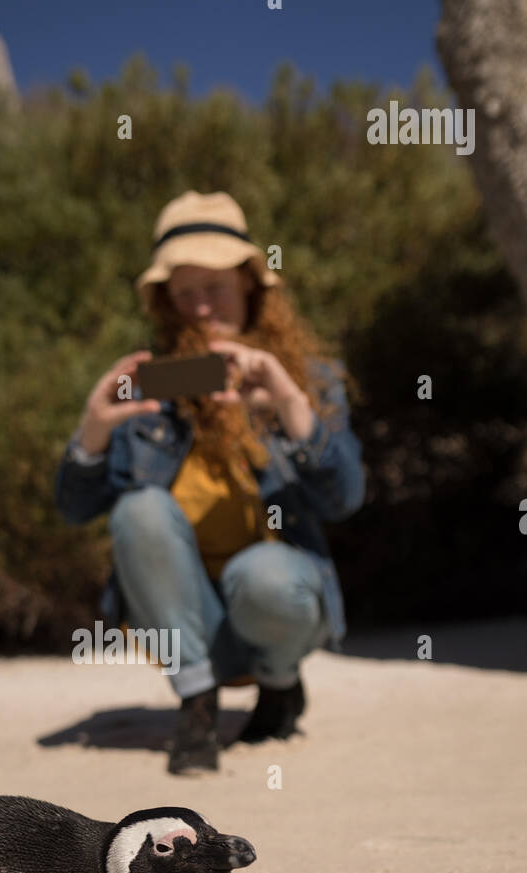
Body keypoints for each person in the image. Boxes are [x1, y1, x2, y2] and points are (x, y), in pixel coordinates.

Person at [54, 191, 365, 774]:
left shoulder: (308, 380)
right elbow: (74, 510)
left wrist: (289, 403)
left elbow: (343, 498)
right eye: (185, 293)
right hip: (183, 617)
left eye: (215, 287)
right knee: (138, 509)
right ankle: (197, 701)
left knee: (264, 575)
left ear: (250, 283)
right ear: (166, 301)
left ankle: (278, 685)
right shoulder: (151, 391)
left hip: (274, 606)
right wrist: (92, 433)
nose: (200, 307)